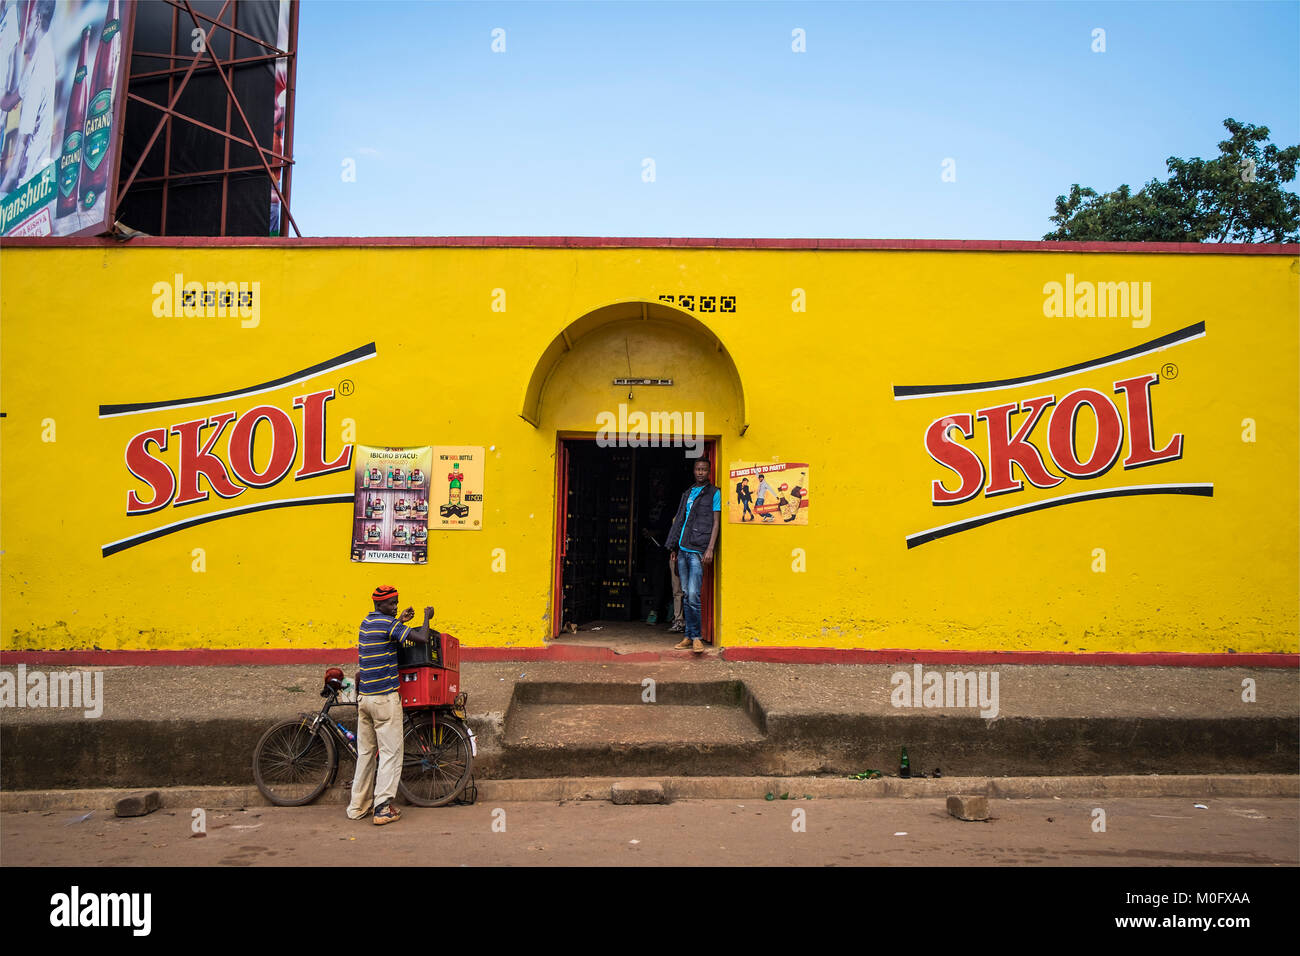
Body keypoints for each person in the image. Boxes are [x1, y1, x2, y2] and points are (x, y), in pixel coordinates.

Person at [347, 584, 436, 825]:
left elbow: (388, 637)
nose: (395, 606)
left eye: (396, 602)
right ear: (379, 605)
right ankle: (383, 808)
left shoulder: (367, 623)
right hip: (384, 700)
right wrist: (426, 617)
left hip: (364, 699)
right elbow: (421, 638)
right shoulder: (389, 624)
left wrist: (400, 619)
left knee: (365, 754)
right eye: (391, 604)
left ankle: (357, 807)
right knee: (390, 753)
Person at [666, 458, 720, 653]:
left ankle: (696, 637)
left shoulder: (714, 493)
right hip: (682, 550)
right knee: (686, 594)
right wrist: (673, 547)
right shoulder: (687, 493)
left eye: (704, 469)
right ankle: (688, 636)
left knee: (694, 595)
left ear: (709, 471)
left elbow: (715, 523)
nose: (700, 472)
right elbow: (680, 520)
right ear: (693, 471)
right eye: (697, 469)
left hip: (698, 551)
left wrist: (710, 548)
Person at [0, 0, 54, 194]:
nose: (28, 26)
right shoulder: (42, 52)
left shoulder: (38, 72)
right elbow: (7, 102)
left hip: (30, 183)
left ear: (37, 20)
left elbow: (17, 159)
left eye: (30, 20)